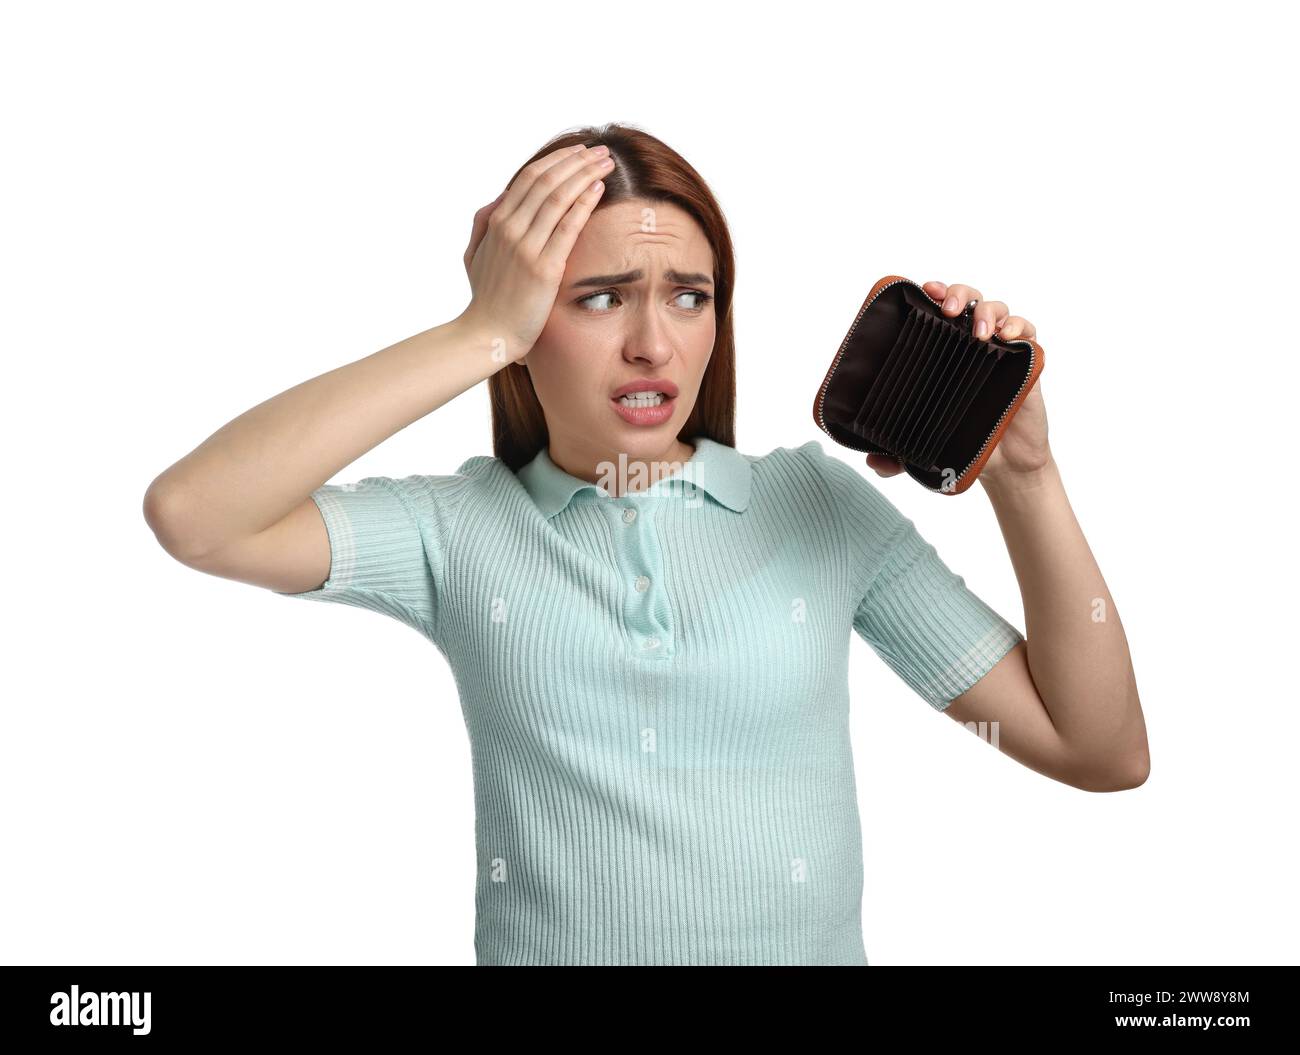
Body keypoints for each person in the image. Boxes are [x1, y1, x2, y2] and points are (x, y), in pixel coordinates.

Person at [143, 122, 1148, 966]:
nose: (652, 344)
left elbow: (1098, 749)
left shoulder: (815, 505)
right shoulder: (455, 528)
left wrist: (1025, 475)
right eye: (599, 296)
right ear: (527, 317)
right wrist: (476, 334)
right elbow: (195, 514)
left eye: (688, 295)